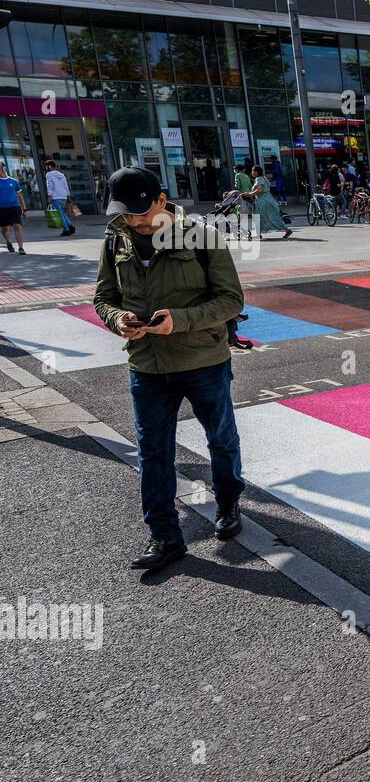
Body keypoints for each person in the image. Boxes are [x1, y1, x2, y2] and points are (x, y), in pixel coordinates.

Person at [93, 167, 246, 571]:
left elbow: (231, 300)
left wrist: (180, 320)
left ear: (162, 199)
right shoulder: (114, 243)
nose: (135, 220)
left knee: (221, 438)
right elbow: (103, 298)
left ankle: (228, 503)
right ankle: (164, 535)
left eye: (142, 211)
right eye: (126, 213)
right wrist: (117, 319)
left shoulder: (202, 236)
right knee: (152, 452)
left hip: (203, 361)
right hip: (146, 365)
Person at [243, 165, 291, 239]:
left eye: (252, 171)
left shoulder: (258, 179)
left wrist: (249, 194)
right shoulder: (264, 178)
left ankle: (259, 234)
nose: (251, 172)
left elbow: (259, 190)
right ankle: (286, 230)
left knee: (259, 217)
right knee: (271, 216)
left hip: (262, 201)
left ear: (256, 172)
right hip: (269, 199)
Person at [0, 162, 28, 254]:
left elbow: (20, 195)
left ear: (2, 167)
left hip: (14, 207)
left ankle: (21, 248)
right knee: (4, 229)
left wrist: (24, 208)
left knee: (17, 225)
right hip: (2, 208)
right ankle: (8, 242)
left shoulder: (13, 181)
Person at [44, 160, 75, 236]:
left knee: (59, 214)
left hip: (55, 197)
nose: (46, 168)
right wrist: (68, 196)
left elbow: (50, 186)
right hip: (63, 196)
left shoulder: (49, 174)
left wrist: (49, 197)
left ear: (50, 166)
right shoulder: (62, 175)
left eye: (47, 166)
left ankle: (66, 230)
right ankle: (70, 226)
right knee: (62, 213)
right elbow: (66, 186)